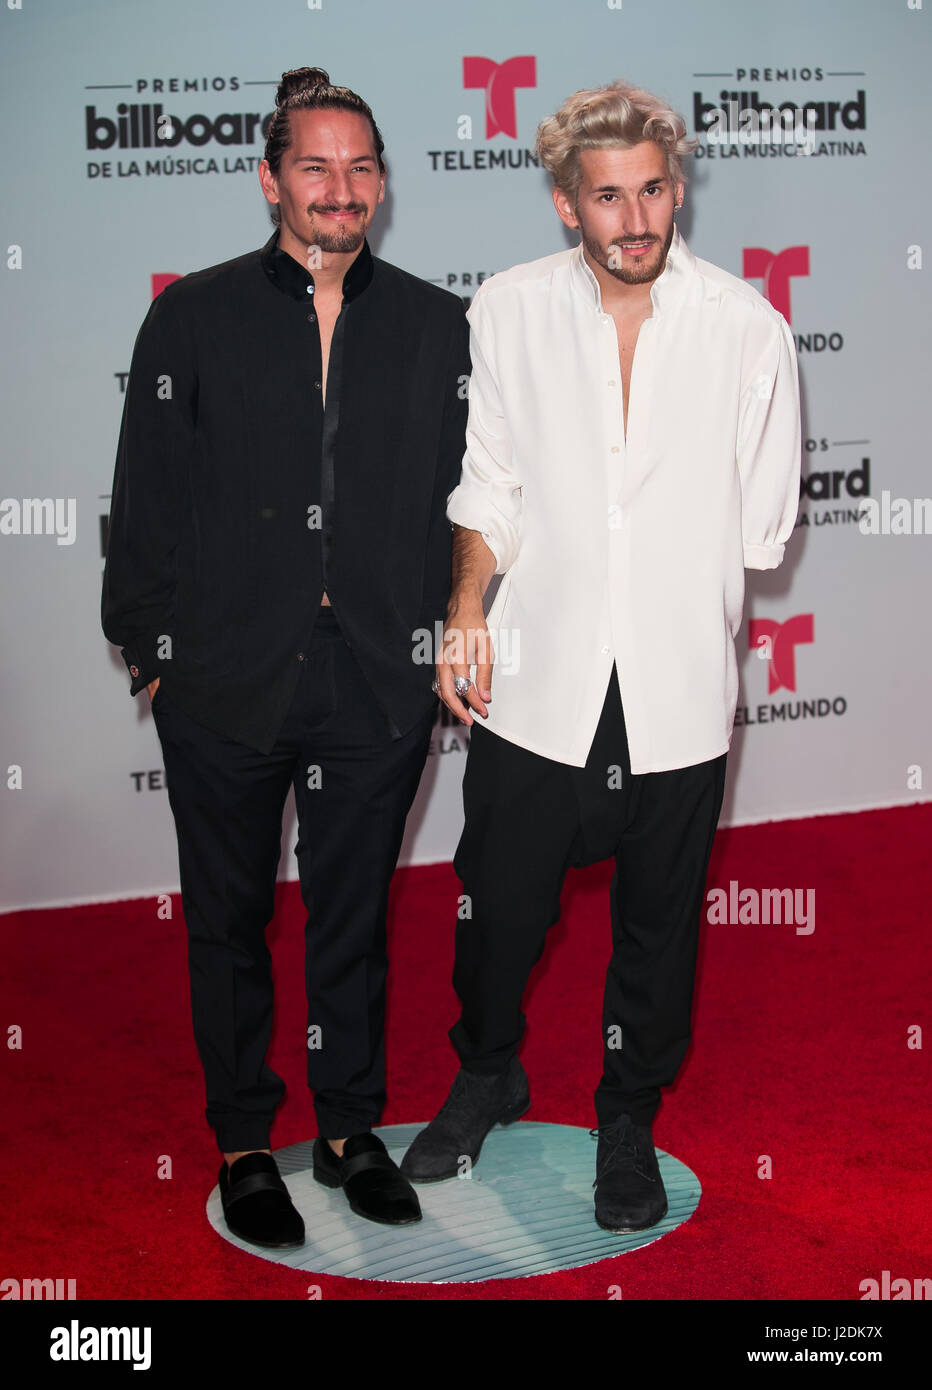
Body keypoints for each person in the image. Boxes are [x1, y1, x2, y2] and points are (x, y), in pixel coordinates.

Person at [401, 79, 801, 1233]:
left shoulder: (747, 329)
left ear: (675, 189)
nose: (635, 220)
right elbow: (490, 482)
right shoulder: (508, 311)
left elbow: (762, 528)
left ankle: (625, 1114)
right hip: (537, 681)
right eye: (606, 196)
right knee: (496, 907)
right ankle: (488, 1070)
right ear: (565, 203)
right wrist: (469, 601)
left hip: (673, 689)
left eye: (652, 191)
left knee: (656, 929)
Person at [102, 66, 470, 1248]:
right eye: (315, 165)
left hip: (374, 673)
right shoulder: (193, 315)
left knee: (352, 914)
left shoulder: (432, 321)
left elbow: (468, 495)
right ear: (270, 179)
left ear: (381, 187)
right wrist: (149, 649)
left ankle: (352, 1127)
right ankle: (245, 1137)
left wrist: (438, 640)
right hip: (221, 676)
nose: (340, 187)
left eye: (361, 166)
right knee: (226, 915)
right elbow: (145, 493)